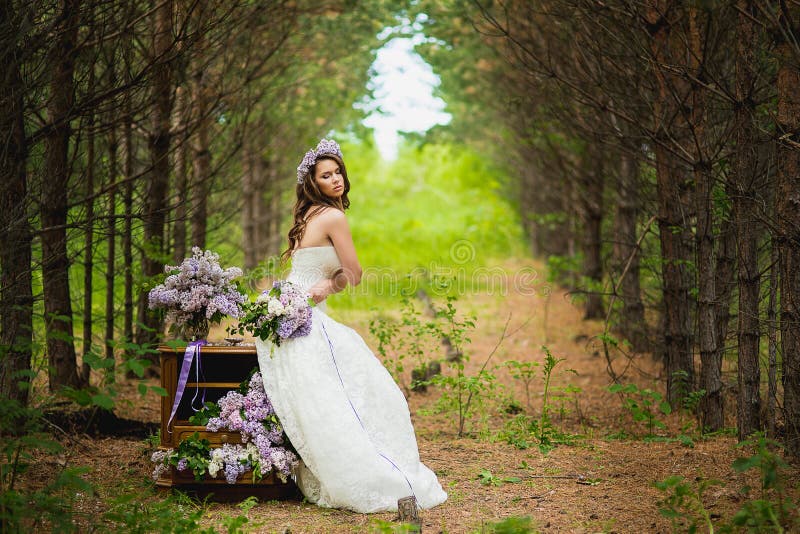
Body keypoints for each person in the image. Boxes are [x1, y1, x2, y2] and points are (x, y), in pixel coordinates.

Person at [255, 138, 448, 513]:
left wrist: (319, 289)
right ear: (313, 183)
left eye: (338, 171)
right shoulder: (330, 216)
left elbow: (332, 271)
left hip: (292, 308)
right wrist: (326, 287)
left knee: (327, 392)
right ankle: (347, 466)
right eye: (326, 175)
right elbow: (354, 273)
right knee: (336, 393)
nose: (336, 179)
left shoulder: (311, 214)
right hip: (299, 310)